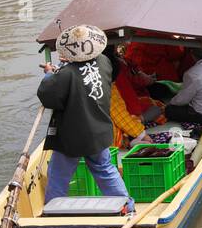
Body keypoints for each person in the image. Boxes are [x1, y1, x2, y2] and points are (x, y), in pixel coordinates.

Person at [36, 25, 134, 209]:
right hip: (99, 132)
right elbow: (79, 79)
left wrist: (50, 75)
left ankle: (51, 210)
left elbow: (48, 95)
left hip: (72, 137)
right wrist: (62, 69)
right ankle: (127, 207)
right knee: (105, 170)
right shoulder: (104, 62)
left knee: (58, 174)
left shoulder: (65, 75)